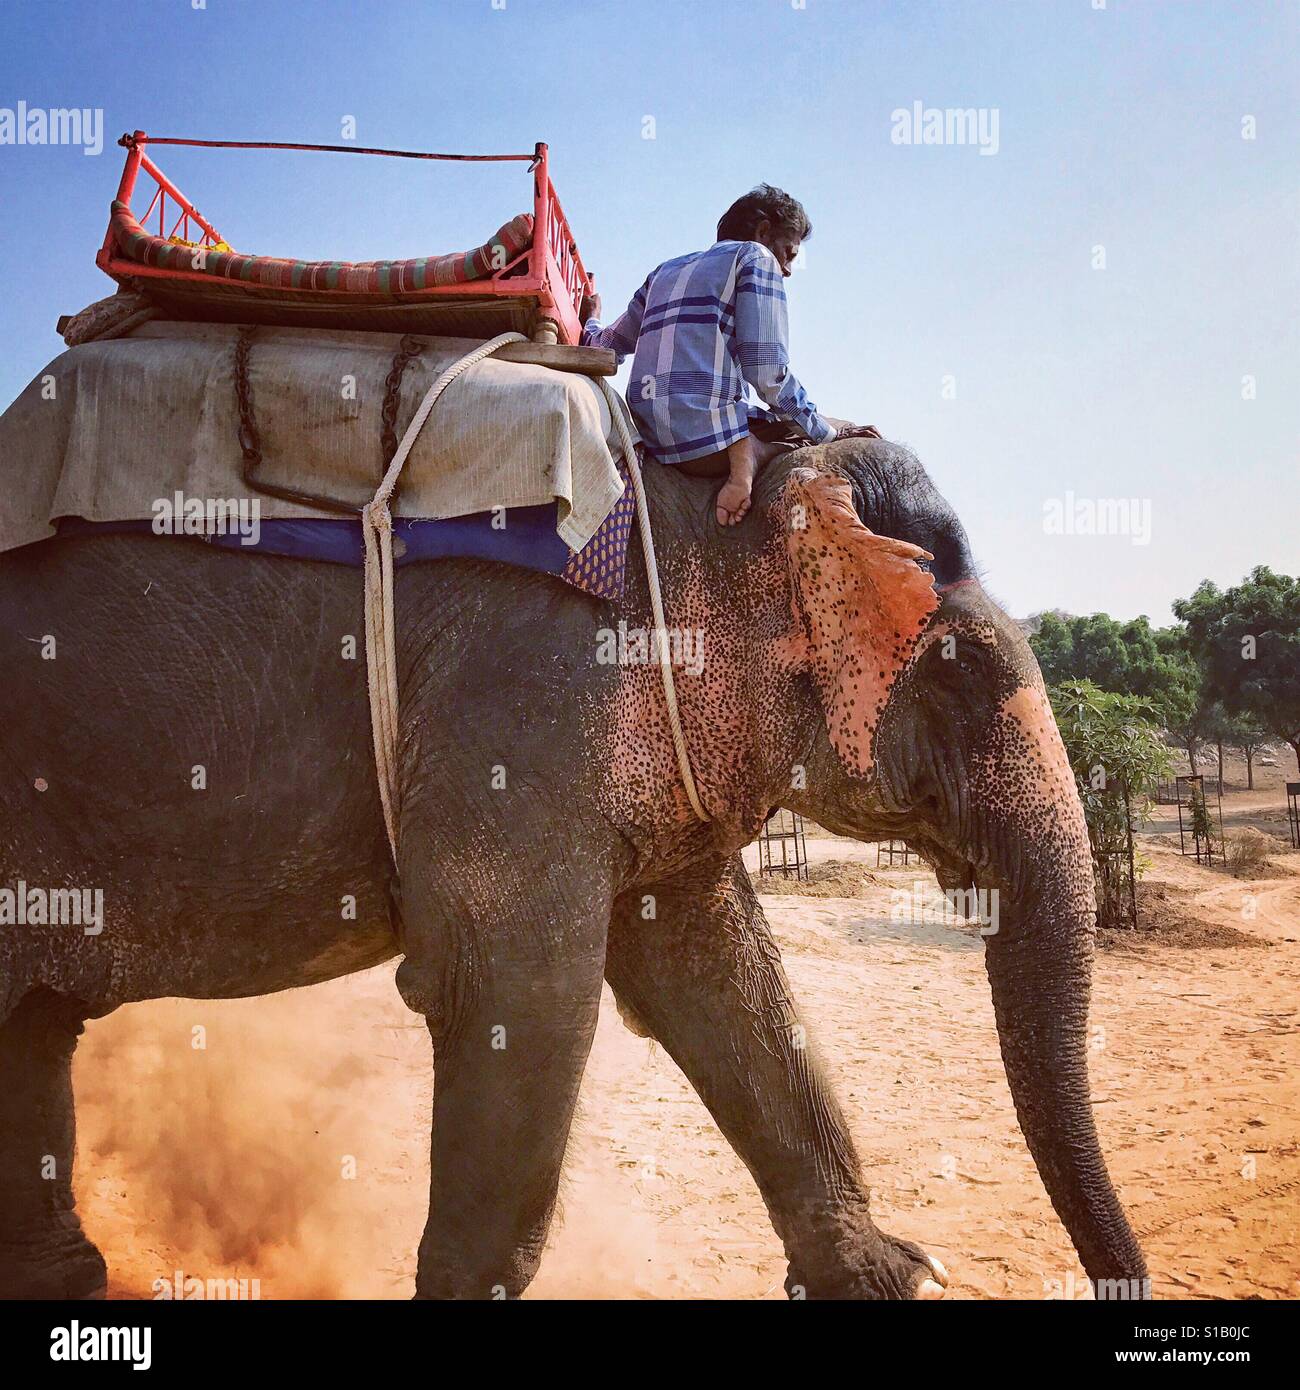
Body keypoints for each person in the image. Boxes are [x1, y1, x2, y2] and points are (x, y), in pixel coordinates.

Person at [580, 184, 878, 525]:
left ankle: (750, 445)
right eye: (788, 253)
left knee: (808, 422)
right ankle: (750, 452)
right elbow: (767, 374)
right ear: (763, 231)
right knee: (813, 432)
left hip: (653, 437)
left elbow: (604, 347)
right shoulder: (756, 258)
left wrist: (591, 316)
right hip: (709, 444)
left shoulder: (663, 271)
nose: (788, 269)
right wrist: (828, 434)